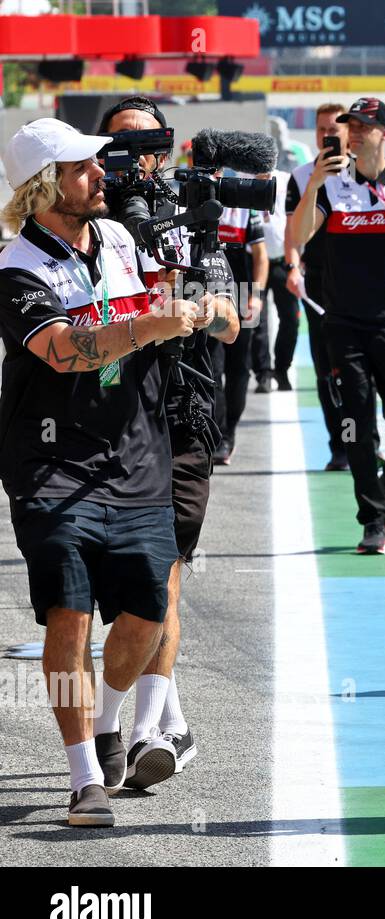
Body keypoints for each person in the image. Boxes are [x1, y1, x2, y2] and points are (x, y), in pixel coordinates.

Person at [0, 118, 201, 826]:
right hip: (51, 464)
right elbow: (61, 350)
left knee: (148, 616)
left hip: (139, 454)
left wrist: (200, 306)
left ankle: (110, 720)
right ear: (46, 184)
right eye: (86, 167)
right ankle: (85, 778)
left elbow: (171, 302)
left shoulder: (120, 238)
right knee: (69, 613)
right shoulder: (15, 267)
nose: (103, 174)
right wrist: (153, 326)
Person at [97, 97, 241, 789]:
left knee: (163, 579)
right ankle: (168, 721)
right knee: (121, 593)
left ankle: (149, 728)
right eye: (118, 144)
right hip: (100, 423)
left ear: (164, 148)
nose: (134, 157)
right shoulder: (79, 219)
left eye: (147, 143)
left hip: (183, 418)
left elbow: (233, 324)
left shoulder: (193, 216)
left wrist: (206, 310)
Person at [288, 96, 385, 554]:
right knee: (356, 424)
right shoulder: (332, 185)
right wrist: (315, 182)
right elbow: (297, 239)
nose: (354, 132)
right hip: (344, 325)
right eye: (350, 126)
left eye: (364, 125)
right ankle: (371, 517)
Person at [284, 102, 374, 471]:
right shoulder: (302, 176)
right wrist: (292, 266)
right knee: (328, 370)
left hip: (363, 284)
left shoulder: (367, 171)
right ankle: (339, 445)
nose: (326, 136)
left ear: (346, 134)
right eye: (321, 130)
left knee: (365, 370)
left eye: (333, 131)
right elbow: (293, 232)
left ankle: (369, 442)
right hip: (319, 286)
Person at [212, 194, 268, 465]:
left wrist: (256, 296)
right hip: (204, 295)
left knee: (238, 368)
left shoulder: (243, 206)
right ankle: (218, 433)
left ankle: (230, 429)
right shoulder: (189, 198)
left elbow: (261, 256)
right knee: (212, 368)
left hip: (241, 294)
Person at [259, 165, 300, 393]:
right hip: (253, 263)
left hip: (284, 262)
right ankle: (263, 372)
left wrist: (298, 258)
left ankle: (282, 368)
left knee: (291, 319)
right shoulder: (242, 182)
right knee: (255, 319)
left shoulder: (286, 180)